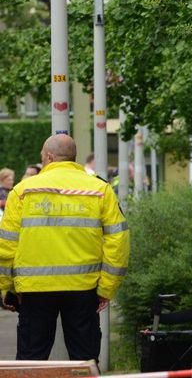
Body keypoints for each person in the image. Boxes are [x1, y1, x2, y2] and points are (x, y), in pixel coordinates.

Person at [0, 134, 130, 361]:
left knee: (32, 361)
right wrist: (106, 288)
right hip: (84, 288)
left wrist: (8, 289)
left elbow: (6, 245)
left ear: (49, 157)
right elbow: (118, 240)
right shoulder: (100, 189)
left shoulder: (22, 191)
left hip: (33, 289)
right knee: (85, 360)